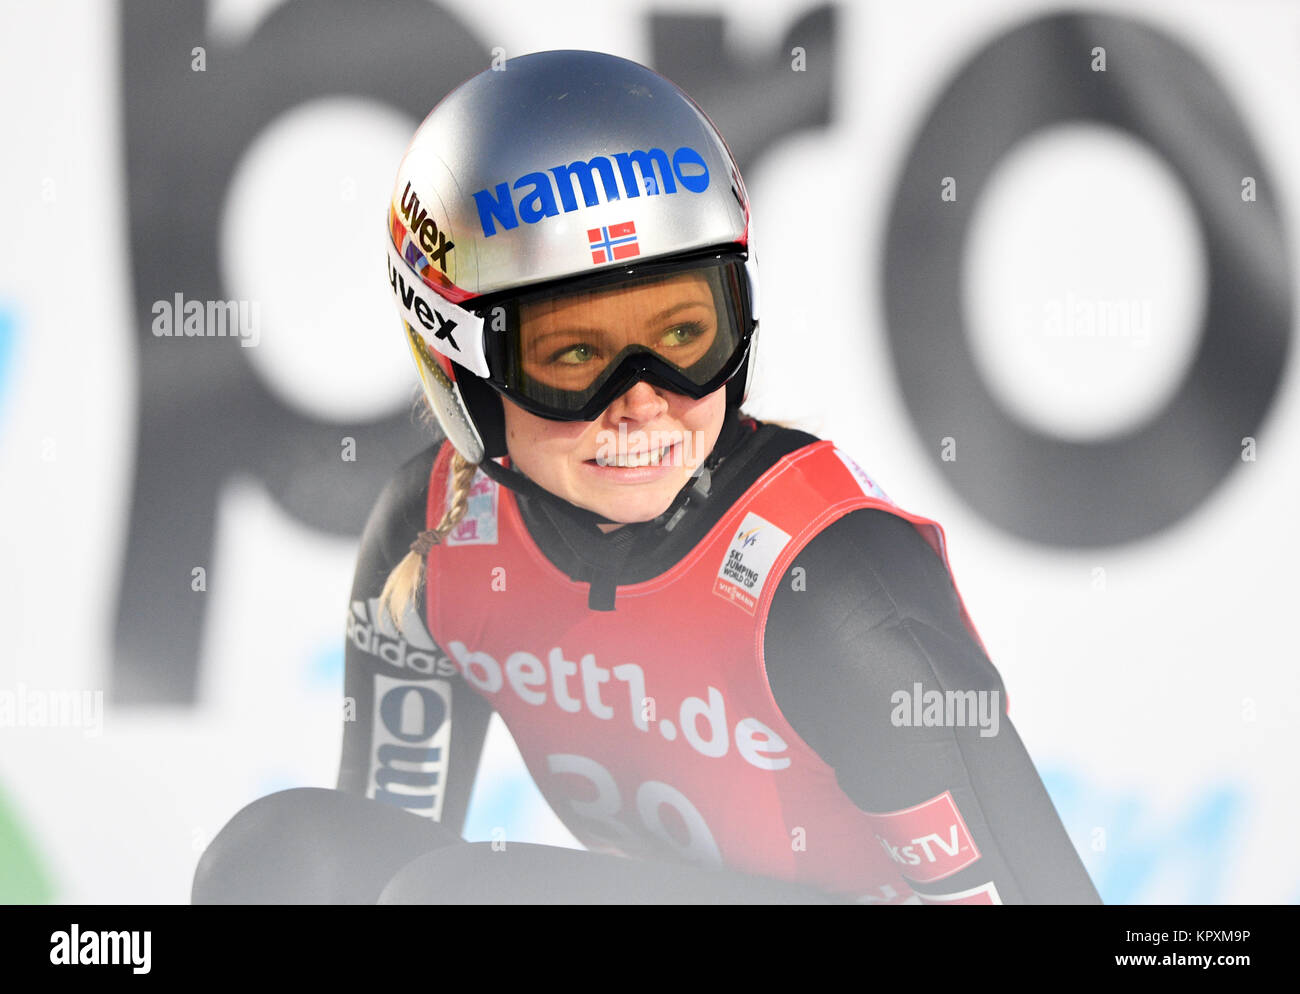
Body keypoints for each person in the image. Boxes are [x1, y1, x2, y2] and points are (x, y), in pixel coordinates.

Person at [192, 49, 1101, 905]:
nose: (643, 405)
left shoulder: (824, 591)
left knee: (460, 900)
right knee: (282, 867)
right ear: (462, 368)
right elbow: (375, 863)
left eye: (680, 337)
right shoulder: (438, 538)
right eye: (574, 354)